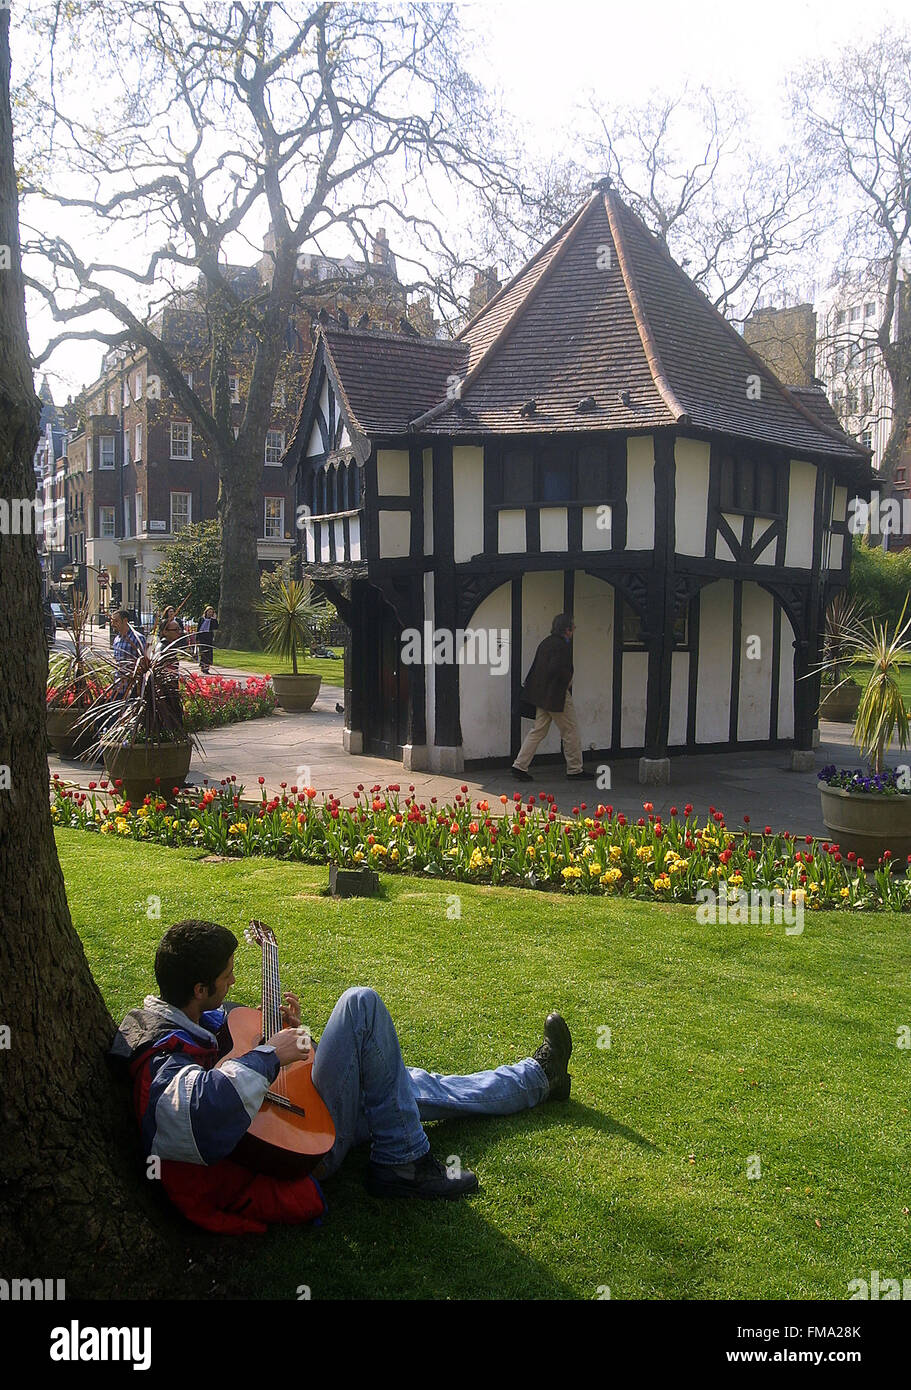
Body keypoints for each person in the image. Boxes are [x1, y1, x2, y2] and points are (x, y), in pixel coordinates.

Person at [110, 920, 573, 1233]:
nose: (233, 983)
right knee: (360, 1003)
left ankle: (539, 1077)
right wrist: (273, 1052)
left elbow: (248, 1053)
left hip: (297, 1113)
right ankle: (402, 1161)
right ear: (198, 988)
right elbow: (199, 1111)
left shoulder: (194, 1018)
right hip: (295, 1149)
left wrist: (283, 1029)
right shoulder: (158, 1051)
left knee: (416, 1086)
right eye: (227, 976)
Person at [512, 612, 591, 781]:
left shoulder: (546, 643)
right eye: (573, 627)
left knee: (538, 731)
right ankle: (575, 769)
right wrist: (567, 679)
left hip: (542, 696)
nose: (574, 629)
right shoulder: (561, 646)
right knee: (571, 731)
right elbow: (556, 669)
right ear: (567, 629)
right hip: (557, 696)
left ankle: (519, 765)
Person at [109, 607, 145, 697]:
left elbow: (145, 662)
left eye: (116, 621)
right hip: (118, 686)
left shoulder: (138, 638)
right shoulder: (117, 639)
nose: (112, 624)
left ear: (125, 621)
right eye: (112, 621)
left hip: (133, 687)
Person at [196, 605, 218, 674]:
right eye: (209, 612)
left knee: (208, 653)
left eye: (211, 612)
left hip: (209, 637)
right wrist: (197, 638)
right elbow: (198, 629)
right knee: (203, 653)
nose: (210, 613)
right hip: (202, 637)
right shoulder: (201, 619)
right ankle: (203, 666)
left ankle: (207, 667)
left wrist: (214, 619)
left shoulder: (212, 620)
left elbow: (216, 627)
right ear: (206, 612)